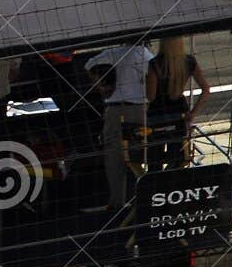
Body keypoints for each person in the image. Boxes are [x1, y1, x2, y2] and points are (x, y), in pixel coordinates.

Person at [84, 42, 155, 210]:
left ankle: (116, 202)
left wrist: (100, 84)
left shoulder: (112, 52)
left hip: (114, 109)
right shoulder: (148, 57)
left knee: (113, 157)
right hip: (138, 109)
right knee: (136, 156)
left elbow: (88, 65)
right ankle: (147, 197)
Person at [146, 37, 210, 170]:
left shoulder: (155, 63)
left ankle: (156, 185)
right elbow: (205, 89)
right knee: (178, 159)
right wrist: (193, 113)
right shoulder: (188, 61)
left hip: (156, 115)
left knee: (154, 161)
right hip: (180, 114)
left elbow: (150, 96)